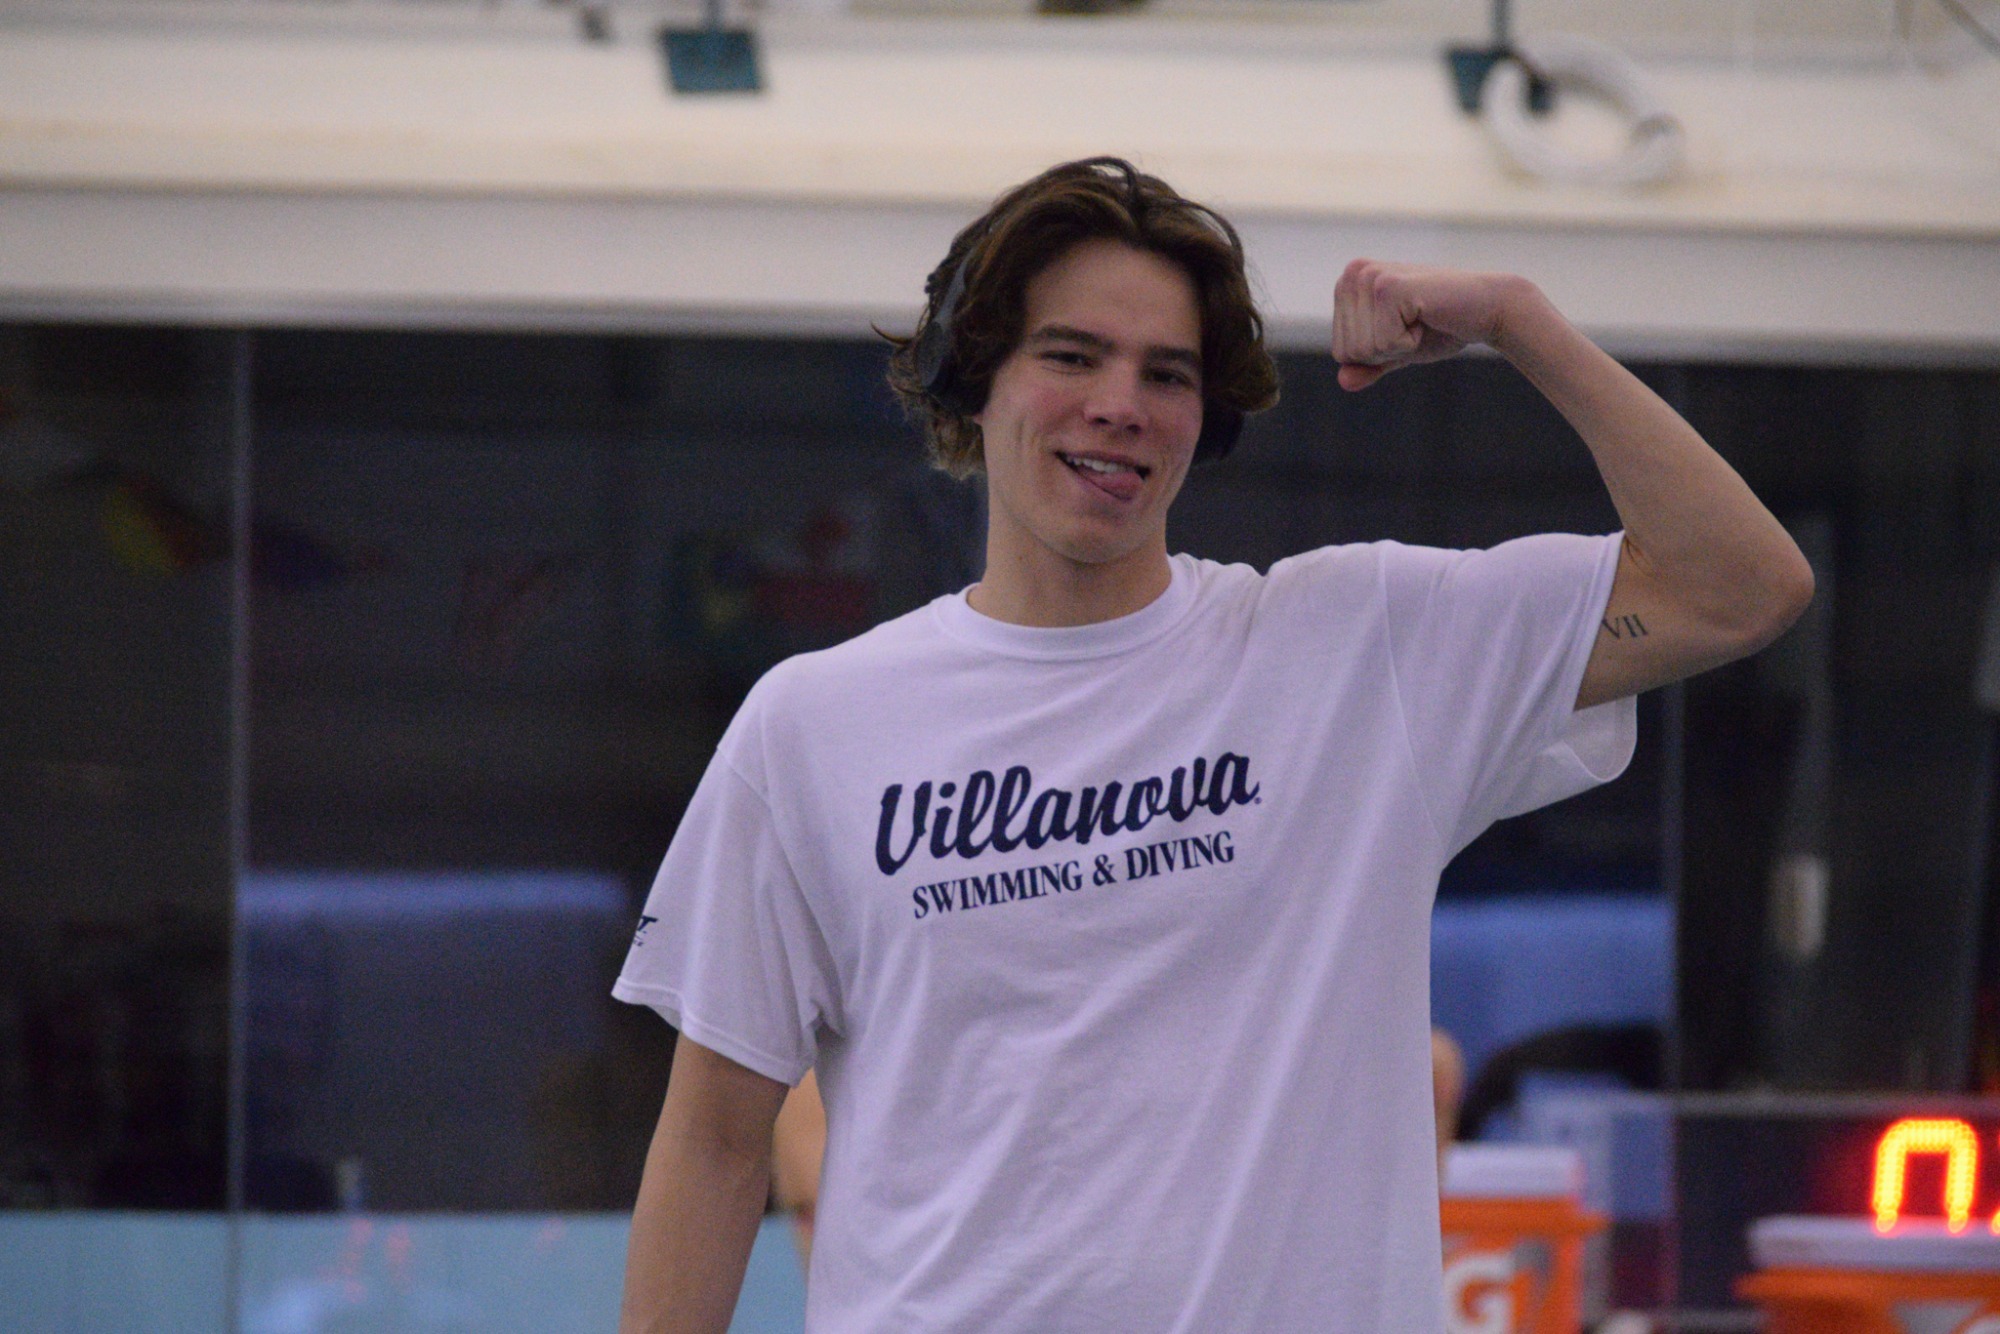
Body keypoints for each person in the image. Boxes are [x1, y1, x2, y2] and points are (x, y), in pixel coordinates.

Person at [612, 156, 1812, 1332]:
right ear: (971, 379)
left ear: (1206, 418)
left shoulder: (1360, 648)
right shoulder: (813, 724)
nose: (1119, 404)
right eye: (1070, 355)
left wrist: (1518, 321)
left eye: (1166, 373)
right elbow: (716, 1139)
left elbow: (1739, 586)